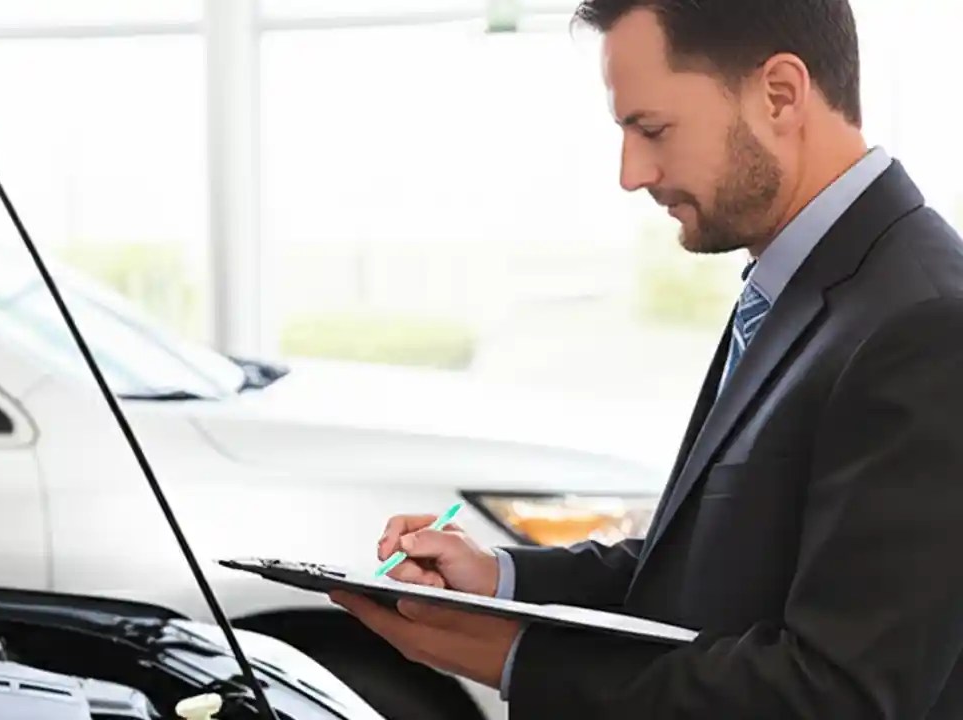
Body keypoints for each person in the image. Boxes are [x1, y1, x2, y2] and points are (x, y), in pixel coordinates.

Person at [330, 0, 963, 717]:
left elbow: (836, 694)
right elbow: (712, 566)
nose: (632, 172)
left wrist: (513, 659)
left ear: (780, 93)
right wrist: (500, 579)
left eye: (652, 129)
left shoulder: (926, 323)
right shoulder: (808, 284)